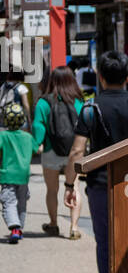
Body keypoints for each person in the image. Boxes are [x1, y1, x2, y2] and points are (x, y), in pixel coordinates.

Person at [63, 50, 128, 273]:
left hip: (100, 184)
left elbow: (77, 151)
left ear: (100, 77)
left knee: (105, 240)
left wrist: (71, 185)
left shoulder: (90, 109)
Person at [32, 65, 85, 238]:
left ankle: (53, 224)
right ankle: (74, 227)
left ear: (52, 81)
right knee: (75, 187)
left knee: (52, 190)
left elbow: (38, 126)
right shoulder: (78, 101)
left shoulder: (43, 102)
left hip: (50, 151)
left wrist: (36, 145)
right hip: (73, 152)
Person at [0, 101, 33, 243]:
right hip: (24, 175)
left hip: (8, 175)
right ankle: (19, 229)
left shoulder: (3, 136)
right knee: (22, 202)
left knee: (9, 202)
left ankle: (14, 227)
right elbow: (37, 148)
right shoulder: (28, 137)